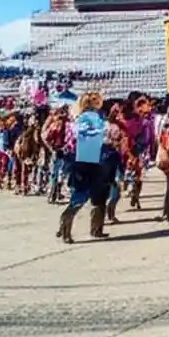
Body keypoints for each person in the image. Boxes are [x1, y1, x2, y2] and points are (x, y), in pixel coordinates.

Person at [57, 92, 109, 243]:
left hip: (91, 161)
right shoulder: (86, 119)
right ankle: (66, 226)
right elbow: (86, 134)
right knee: (80, 196)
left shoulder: (89, 118)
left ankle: (94, 228)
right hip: (85, 162)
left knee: (96, 197)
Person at [121, 95, 156, 210]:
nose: (149, 107)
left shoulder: (149, 119)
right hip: (134, 149)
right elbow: (129, 135)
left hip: (143, 149)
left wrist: (151, 151)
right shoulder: (135, 119)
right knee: (133, 171)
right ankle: (131, 189)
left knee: (139, 175)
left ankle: (136, 195)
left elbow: (151, 136)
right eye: (146, 105)